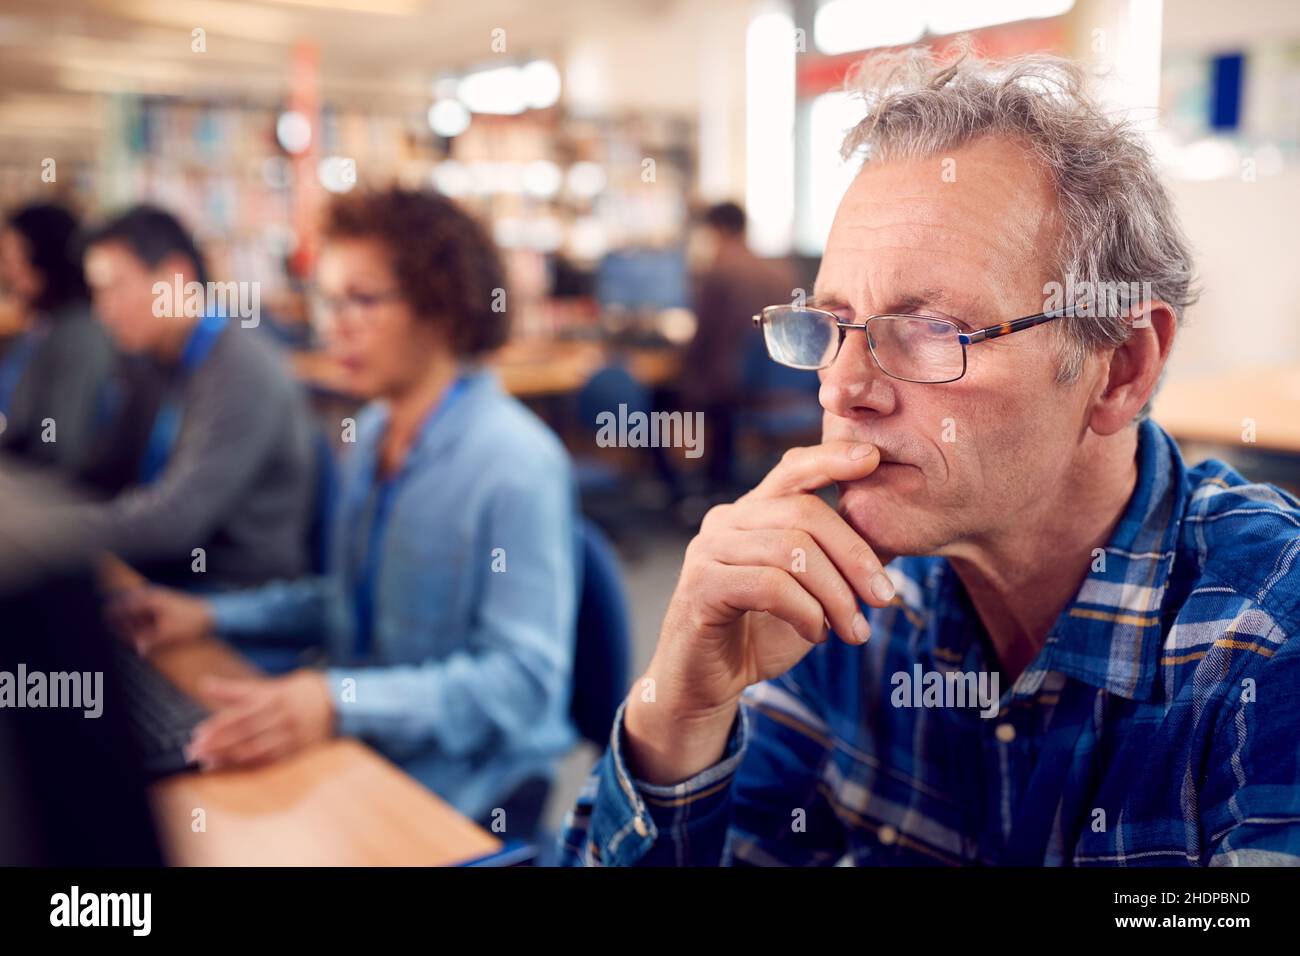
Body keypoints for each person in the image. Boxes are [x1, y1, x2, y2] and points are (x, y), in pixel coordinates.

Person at [559, 47, 1300, 867]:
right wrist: (683, 717)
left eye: (932, 328)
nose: (841, 389)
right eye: (833, 324)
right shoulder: (846, 596)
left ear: (1120, 367)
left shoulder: (1268, 644)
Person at [117, 187, 578, 835]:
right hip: (361, 748)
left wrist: (338, 700)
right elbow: (343, 600)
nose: (333, 326)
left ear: (440, 307)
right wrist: (208, 613)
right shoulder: (367, 437)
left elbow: (522, 684)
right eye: (327, 301)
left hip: (464, 790)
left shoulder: (515, 462)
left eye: (361, 300)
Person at [77, 205, 314, 589]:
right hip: (168, 578)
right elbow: (106, 474)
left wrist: (43, 527)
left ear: (175, 278)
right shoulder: (154, 359)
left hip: (232, 597)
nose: (103, 311)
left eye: (114, 288)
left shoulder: (242, 370)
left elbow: (175, 523)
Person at [681, 201, 800, 490]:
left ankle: (684, 491)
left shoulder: (719, 271)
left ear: (716, 230)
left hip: (736, 387)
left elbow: (702, 340)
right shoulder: (780, 271)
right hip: (784, 379)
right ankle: (717, 481)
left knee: (658, 397)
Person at [0, 203, 114, 474]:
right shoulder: (40, 326)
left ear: (46, 259)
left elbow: (57, 448)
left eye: (14, 259)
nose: (8, 273)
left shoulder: (80, 336)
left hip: (40, 490)